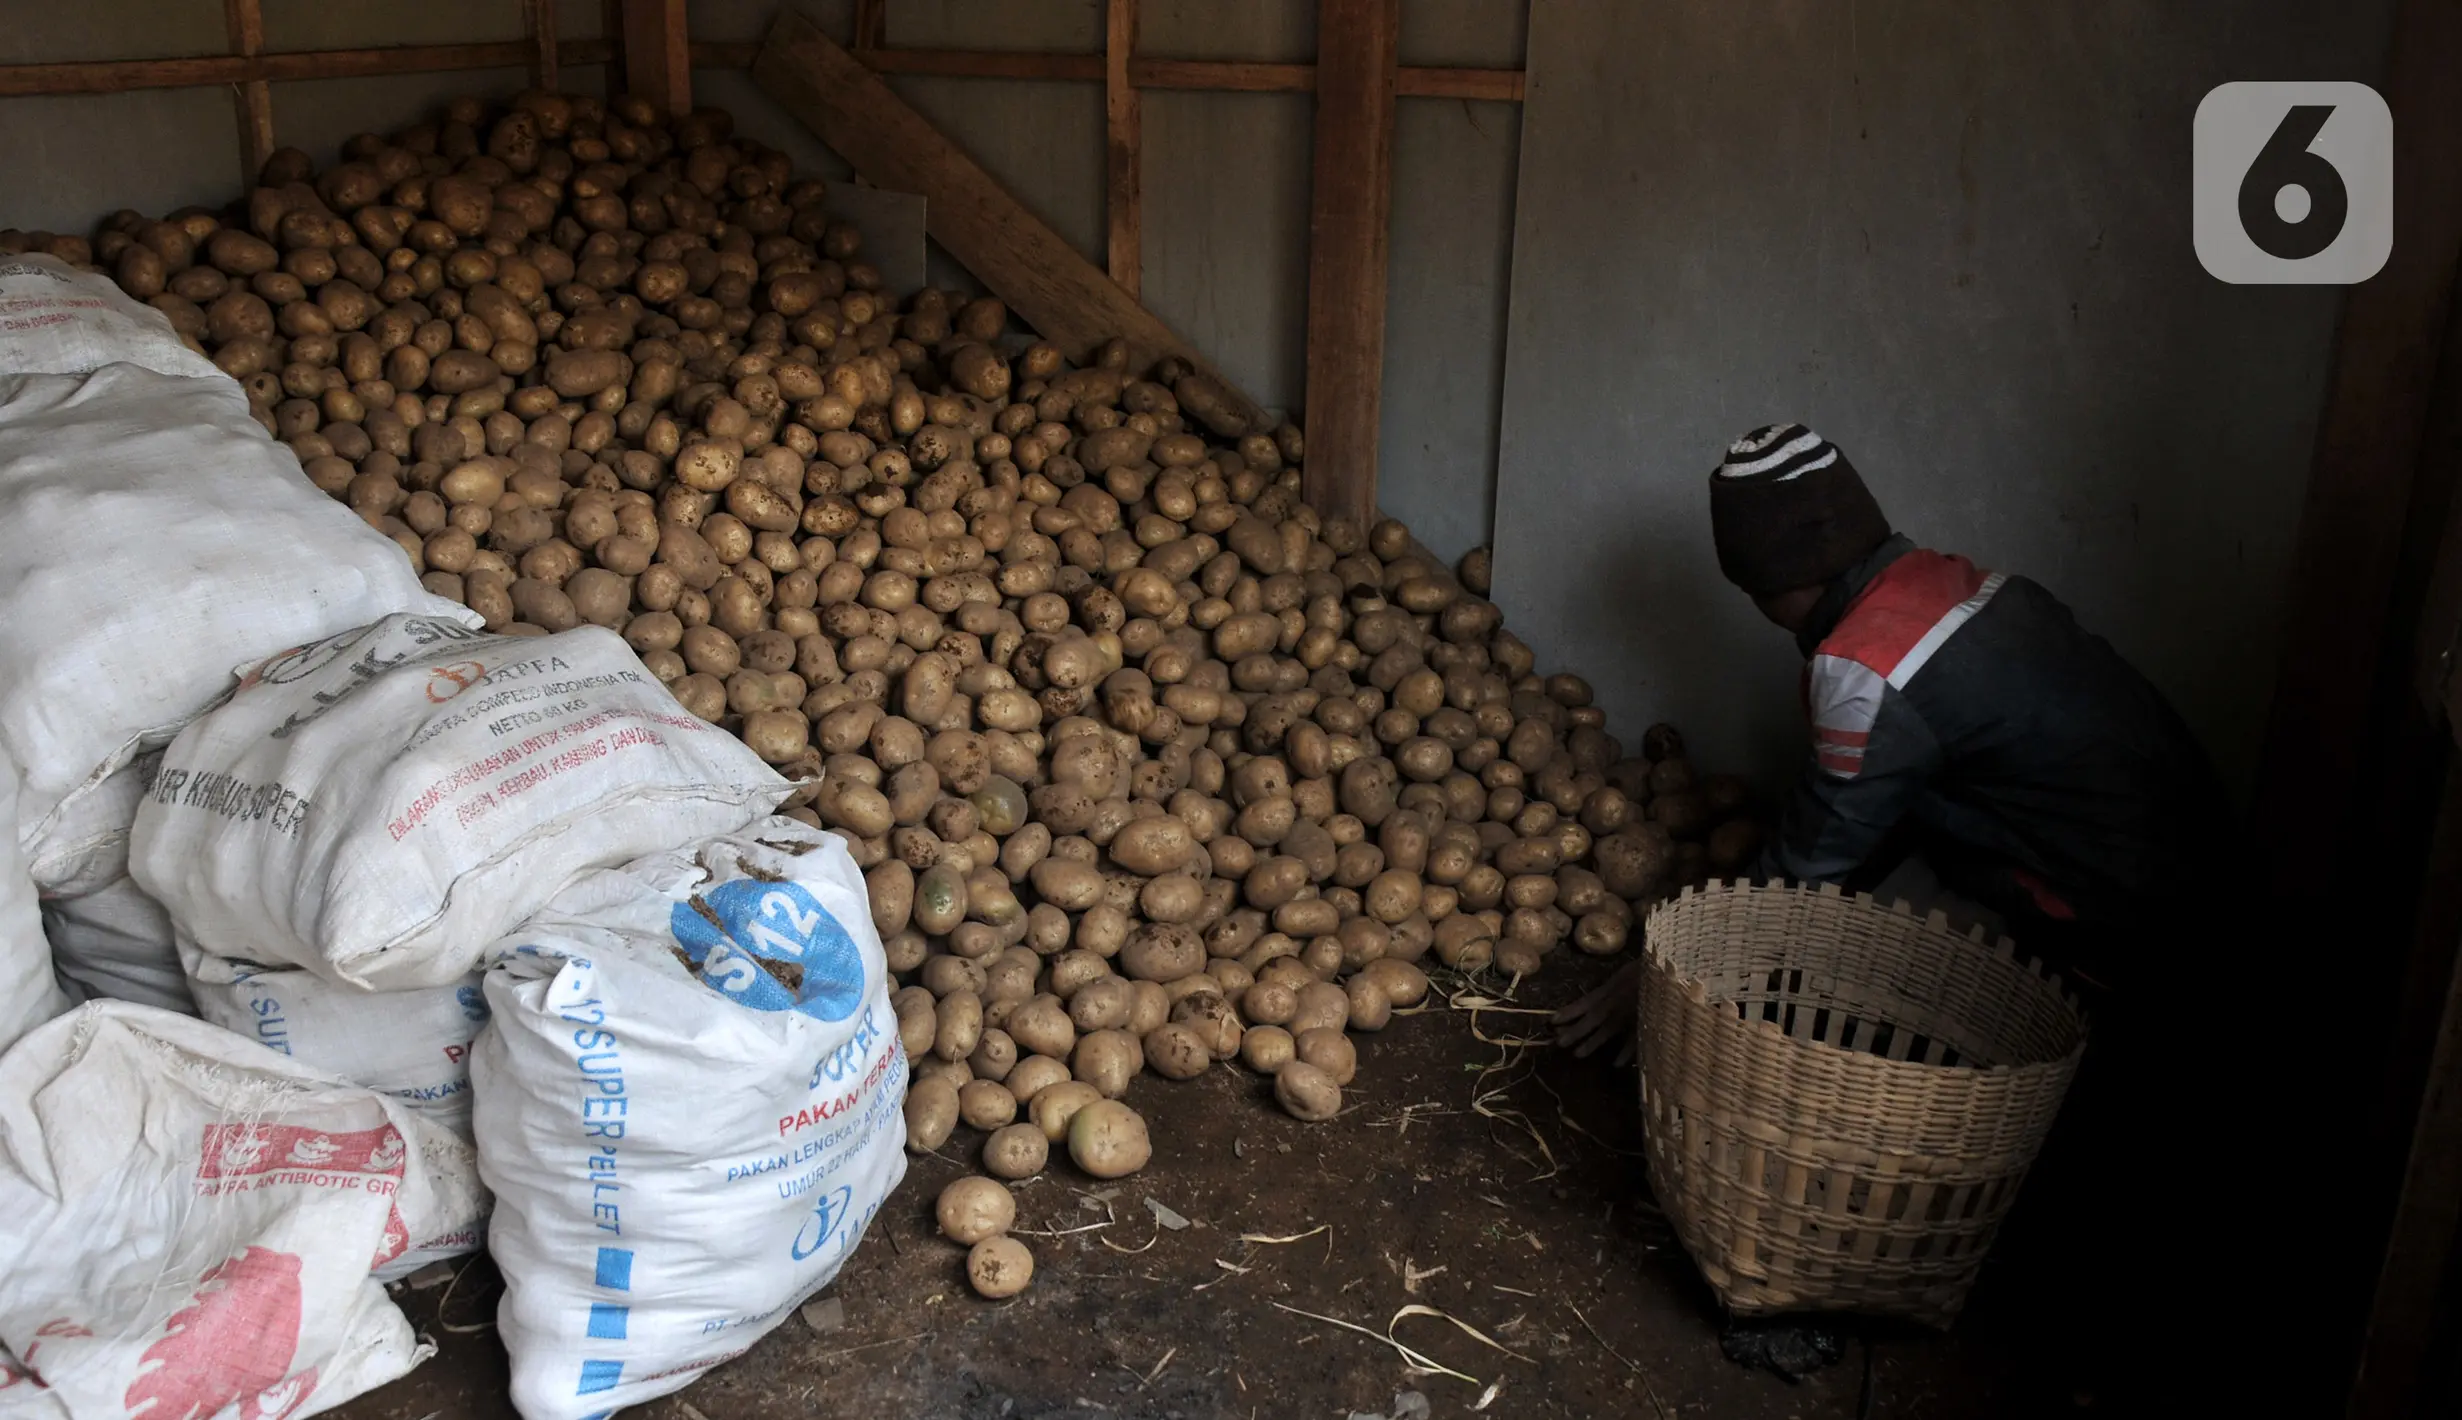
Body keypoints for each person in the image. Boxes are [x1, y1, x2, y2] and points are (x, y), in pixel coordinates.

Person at [1556, 423, 2227, 1058]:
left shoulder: (1865, 667)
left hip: (2120, 916)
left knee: (1815, 988)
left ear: (1767, 587)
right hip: (2204, 851)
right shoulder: (1965, 583)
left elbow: (1801, 874)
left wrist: (1662, 977)